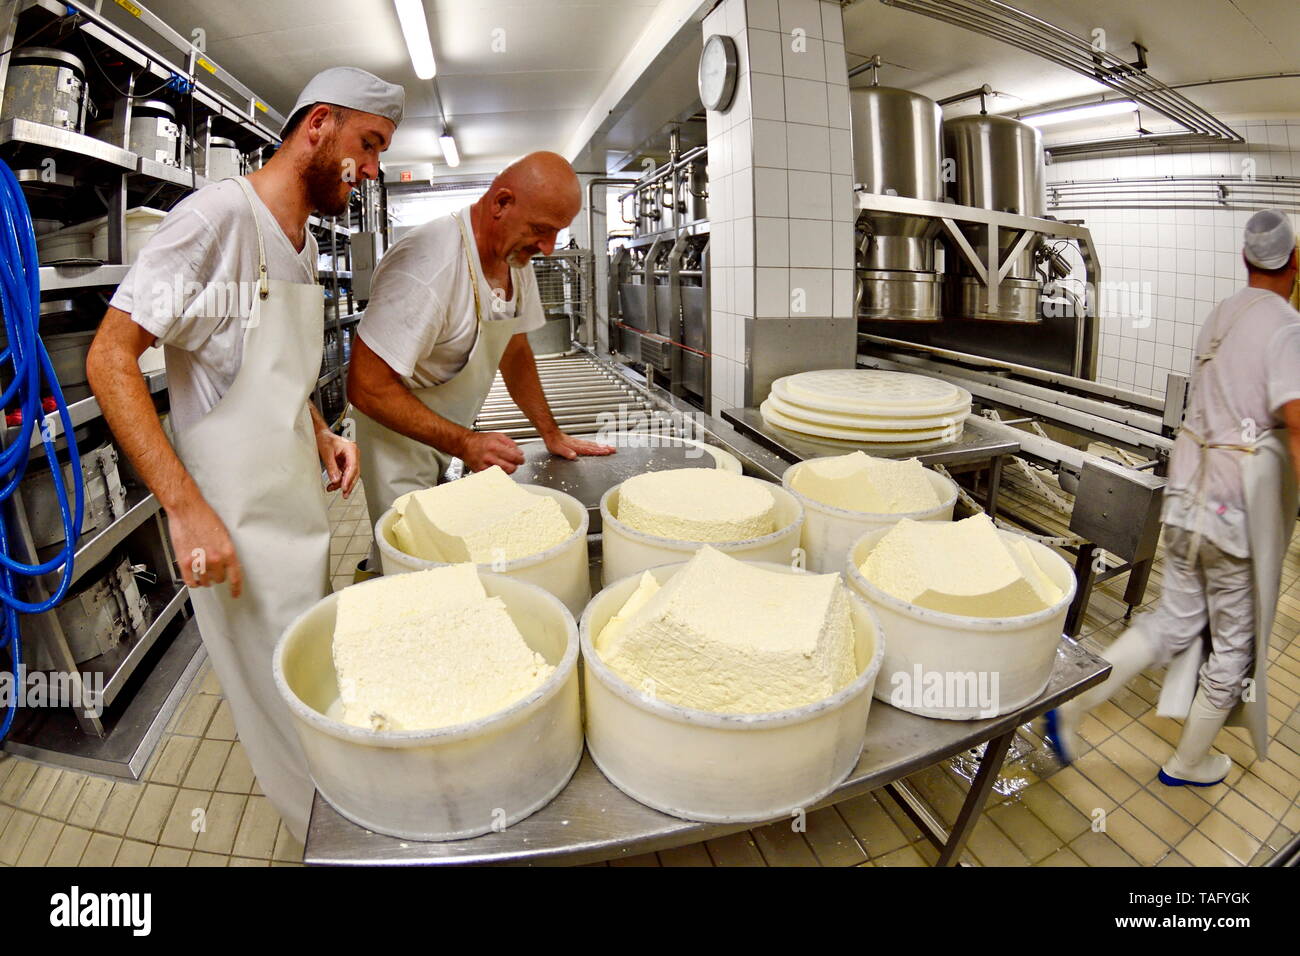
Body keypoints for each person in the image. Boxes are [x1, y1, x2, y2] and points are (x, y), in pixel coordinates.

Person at [85, 67, 404, 840]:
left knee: (309, 682)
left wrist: (320, 432)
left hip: (296, 514)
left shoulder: (294, 241)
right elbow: (110, 358)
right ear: (318, 123)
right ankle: (326, 843)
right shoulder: (216, 219)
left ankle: (349, 819)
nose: (371, 170)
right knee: (282, 708)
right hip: (235, 535)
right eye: (369, 144)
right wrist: (185, 508)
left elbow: (259, 369)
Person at [1047, 209, 1300, 786]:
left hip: (1188, 493)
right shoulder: (1287, 328)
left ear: (1244, 258)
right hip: (1234, 505)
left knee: (1174, 619)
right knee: (1235, 641)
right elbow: (1296, 421)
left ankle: (1073, 707)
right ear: (1295, 263)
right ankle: (1188, 763)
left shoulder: (1220, 317)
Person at [347, 151, 614, 570]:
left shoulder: (514, 257)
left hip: (444, 431)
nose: (547, 248)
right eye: (542, 230)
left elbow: (516, 350)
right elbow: (365, 384)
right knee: (412, 561)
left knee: (444, 552)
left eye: (557, 233)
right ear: (501, 203)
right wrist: (465, 442)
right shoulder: (429, 264)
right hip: (397, 441)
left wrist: (551, 433)